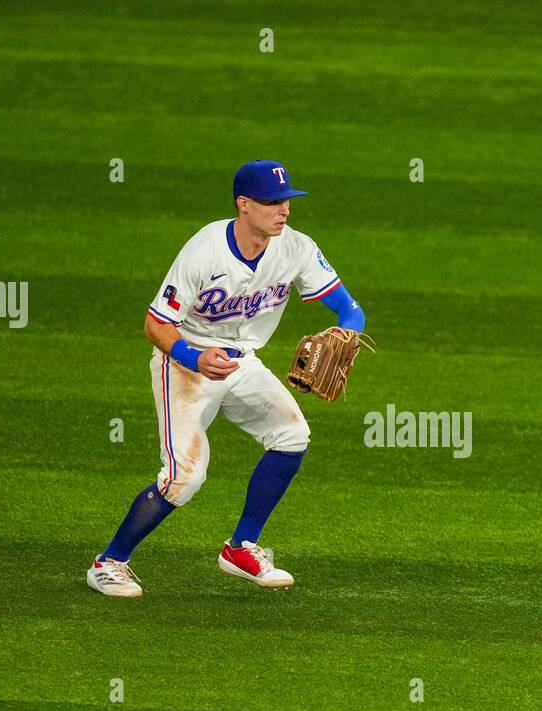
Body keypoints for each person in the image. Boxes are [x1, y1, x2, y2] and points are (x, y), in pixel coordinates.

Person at [86, 160, 365, 596]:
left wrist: (347, 333)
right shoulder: (204, 250)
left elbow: (351, 309)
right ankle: (110, 562)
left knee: (292, 436)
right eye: (273, 202)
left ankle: (241, 548)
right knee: (184, 478)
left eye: (287, 201)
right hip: (185, 363)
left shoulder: (297, 248)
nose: (284, 210)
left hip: (243, 362)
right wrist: (192, 358)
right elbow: (155, 324)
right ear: (244, 204)